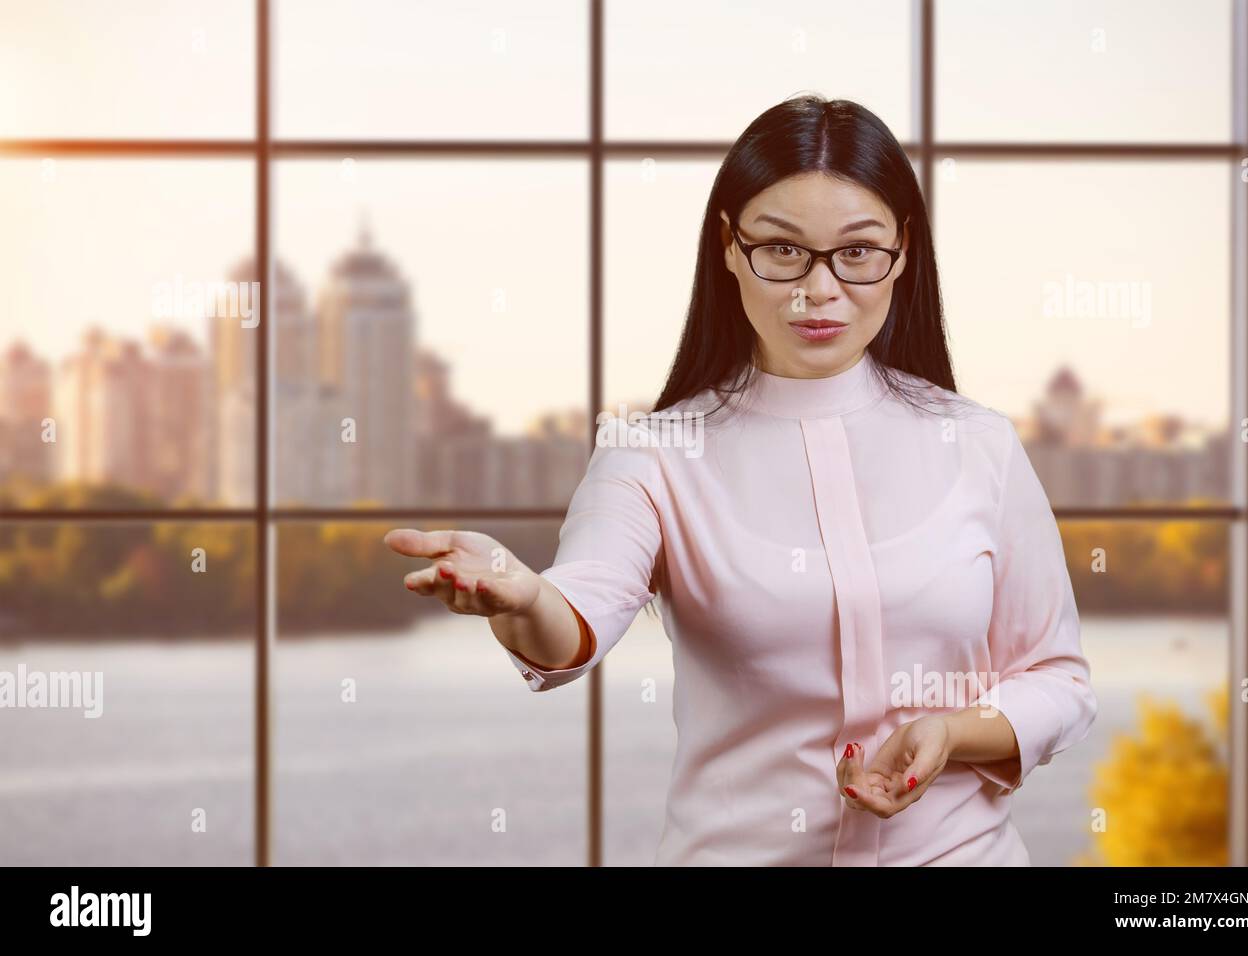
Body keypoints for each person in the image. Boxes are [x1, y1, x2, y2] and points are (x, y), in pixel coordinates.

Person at [385, 94, 1097, 866]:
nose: (819, 290)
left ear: (905, 249)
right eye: (784, 251)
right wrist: (523, 599)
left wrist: (953, 733)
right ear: (729, 245)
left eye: (857, 252)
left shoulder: (979, 445)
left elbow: (1057, 678)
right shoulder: (652, 453)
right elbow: (577, 614)